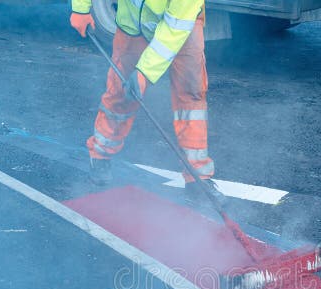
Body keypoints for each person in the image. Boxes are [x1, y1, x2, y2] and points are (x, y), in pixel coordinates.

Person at [70, 0, 225, 205]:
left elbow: (172, 32)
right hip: (132, 27)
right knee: (120, 91)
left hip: (181, 27)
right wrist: (80, 8)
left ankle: (197, 178)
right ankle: (100, 155)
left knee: (190, 95)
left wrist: (144, 72)